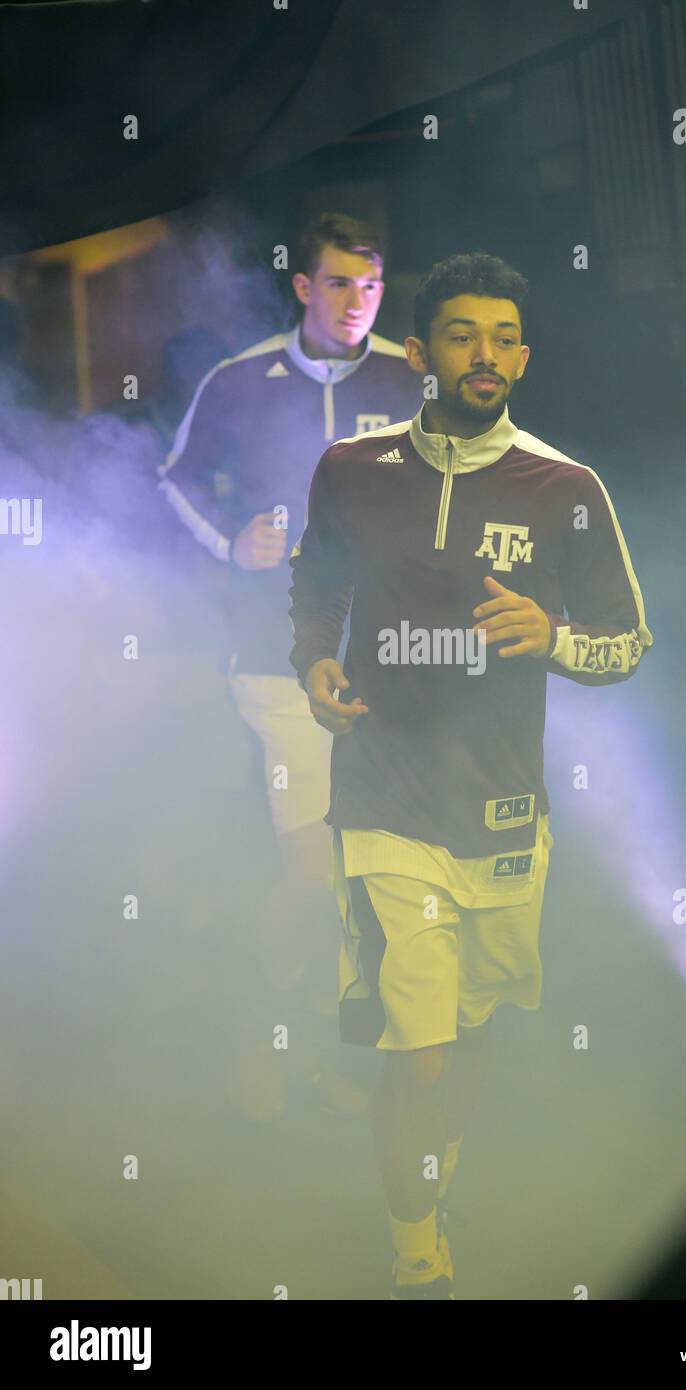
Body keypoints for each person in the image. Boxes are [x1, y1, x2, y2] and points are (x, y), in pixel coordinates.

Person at [288, 251, 654, 1298]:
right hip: (383, 798)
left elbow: (626, 643)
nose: (483, 354)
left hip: (499, 812)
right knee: (425, 1049)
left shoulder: (566, 487)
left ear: (523, 358)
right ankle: (416, 1256)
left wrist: (550, 635)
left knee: (472, 1032)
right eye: (460, 334)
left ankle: (430, 1172)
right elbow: (313, 586)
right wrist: (315, 664)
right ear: (419, 352)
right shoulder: (352, 469)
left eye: (501, 338)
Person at [157, 213, 420, 1112]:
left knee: (387, 872)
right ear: (303, 287)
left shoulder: (409, 376)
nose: (357, 303)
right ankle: (279, 1037)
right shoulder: (238, 381)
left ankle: (362, 1045)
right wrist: (232, 544)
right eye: (339, 284)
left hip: (397, 663)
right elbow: (172, 477)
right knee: (314, 868)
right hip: (277, 662)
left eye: (372, 286)